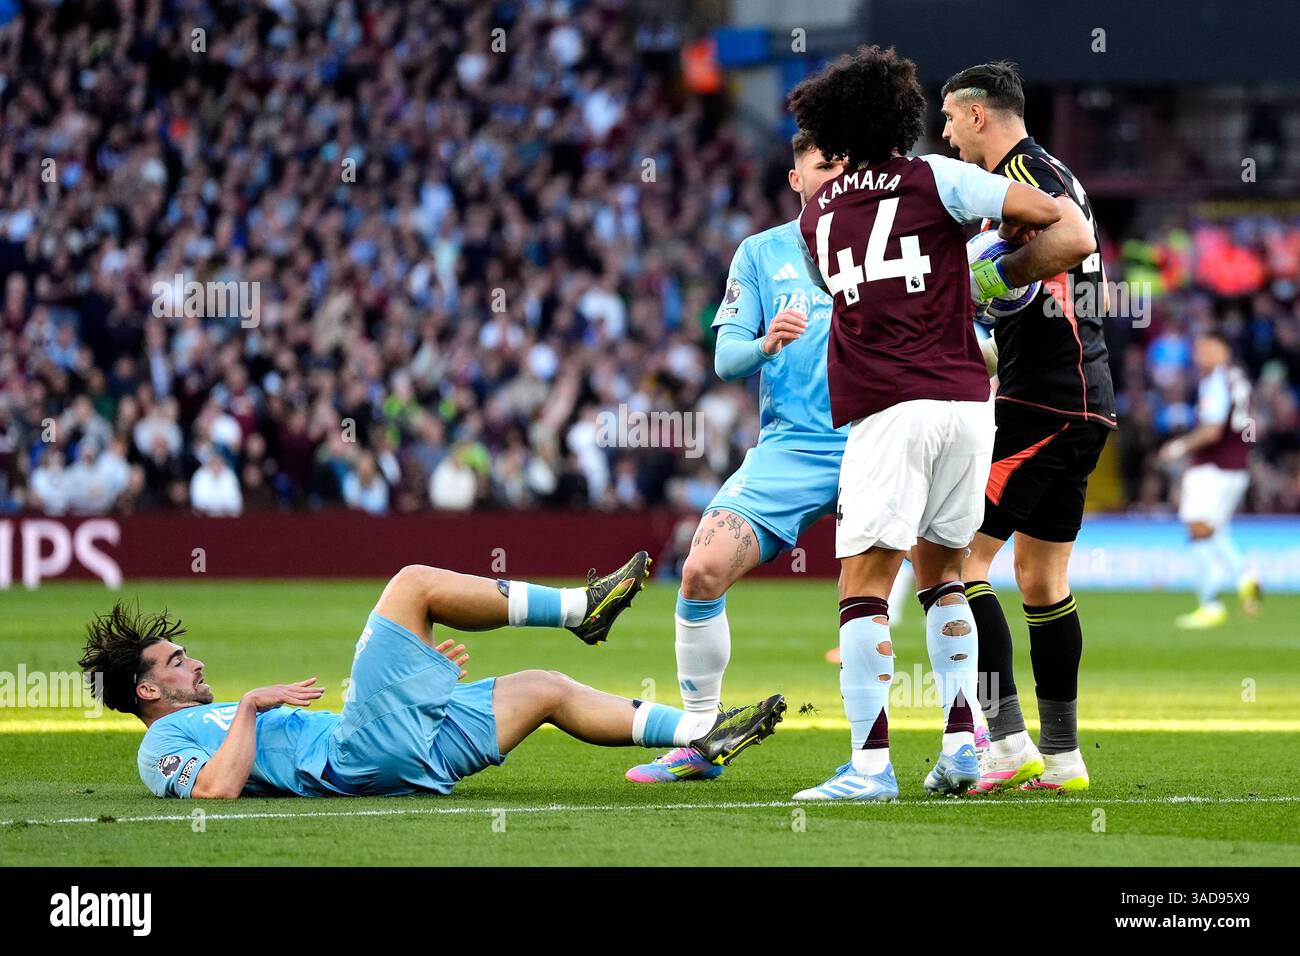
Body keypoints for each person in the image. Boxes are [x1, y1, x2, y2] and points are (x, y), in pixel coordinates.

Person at [784, 46, 1063, 802]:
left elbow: (837, 288)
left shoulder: (816, 216)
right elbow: (1046, 214)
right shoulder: (937, 178)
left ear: (834, 130)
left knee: (862, 585)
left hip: (887, 405)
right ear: (901, 115)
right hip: (969, 405)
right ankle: (961, 744)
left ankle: (870, 768)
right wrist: (986, 258)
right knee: (943, 576)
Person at [77, 552, 786, 799]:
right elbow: (215, 792)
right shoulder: (156, 749)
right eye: (174, 662)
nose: (193, 662)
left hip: (393, 748)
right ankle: (581, 609)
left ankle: (702, 732)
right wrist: (252, 706)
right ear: (147, 692)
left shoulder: (210, 716)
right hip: (359, 755)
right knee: (411, 583)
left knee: (545, 689)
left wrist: (417, 683)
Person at [624, 133, 847, 783]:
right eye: (824, 165)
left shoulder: (884, 244)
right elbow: (725, 361)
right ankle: (701, 738)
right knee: (701, 568)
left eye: (845, 166)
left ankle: (970, 735)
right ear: (796, 179)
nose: (835, 176)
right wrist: (767, 344)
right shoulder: (761, 254)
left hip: (879, 438)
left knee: (940, 579)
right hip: (793, 448)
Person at [940, 61, 1113, 793]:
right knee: (1039, 578)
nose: (944, 134)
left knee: (953, 562)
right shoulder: (1037, 172)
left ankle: (1007, 743)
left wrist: (987, 278)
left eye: (949, 118)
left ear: (980, 113)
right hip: (1079, 396)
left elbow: (1069, 243)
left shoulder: (1025, 172)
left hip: (1045, 400)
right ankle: (1064, 756)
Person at [1158, 330, 1260, 628]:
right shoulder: (1239, 379)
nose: (1200, 353)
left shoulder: (1216, 380)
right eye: (1199, 347)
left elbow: (1213, 430)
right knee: (1213, 530)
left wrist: (1178, 447)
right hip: (1237, 467)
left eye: (1207, 347)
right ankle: (1242, 578)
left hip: (1213, 466)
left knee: (1197, 527)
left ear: (1223, 350)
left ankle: (1215, 600)